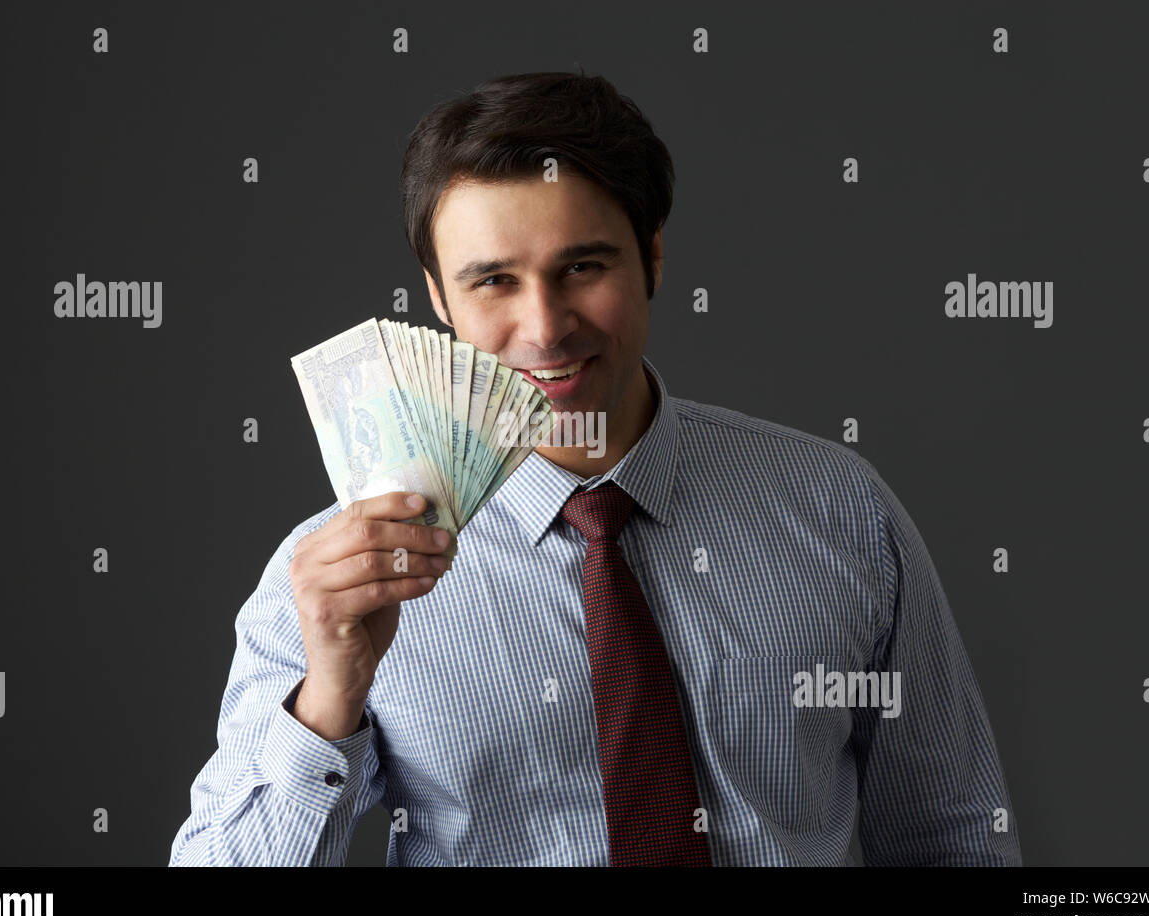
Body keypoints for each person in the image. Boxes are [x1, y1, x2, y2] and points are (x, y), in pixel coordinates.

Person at [169, 71, 1022, 866]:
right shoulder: (335, 576)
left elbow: (953, 838)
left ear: (651, 257)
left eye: (582, 266)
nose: (543, 328)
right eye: (493, 281)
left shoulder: (841, 511)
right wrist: (330, 696)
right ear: (437, 300)